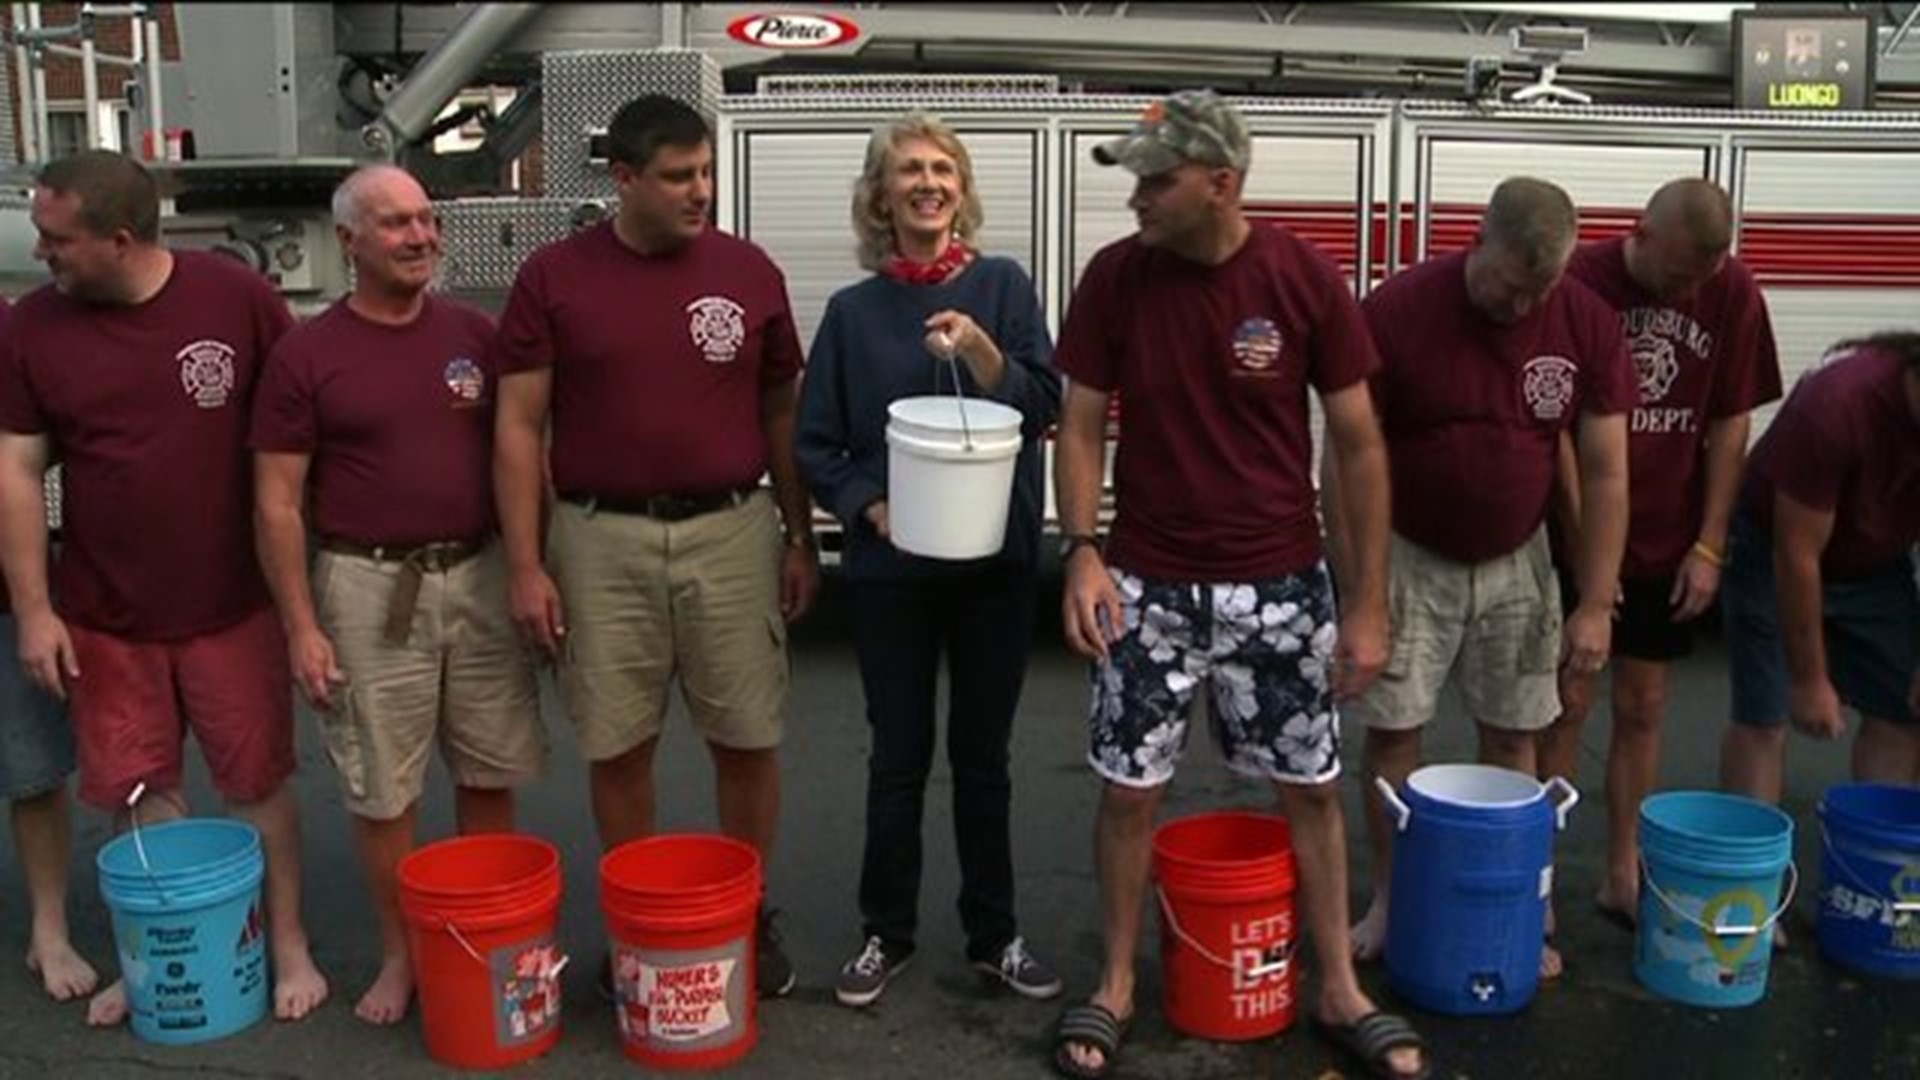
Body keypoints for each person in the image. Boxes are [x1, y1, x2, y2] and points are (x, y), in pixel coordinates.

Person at [1051, 89, 1426, 1080]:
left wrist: (1369, 603)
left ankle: (1340, 988)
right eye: (1133, 179)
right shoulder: (1115, 280)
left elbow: (1356, 442)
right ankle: (1117, 984)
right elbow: (1081, 422)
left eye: (1156, 180)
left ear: (1221, 183)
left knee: (1309, 787)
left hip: (1278, 585)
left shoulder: (1302, 278)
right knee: (1130, 789)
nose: (1136, 198)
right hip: (1148, 586)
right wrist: (1080, 548)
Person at [493, 95, 819, 998]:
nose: (700, 191)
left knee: (747, 739)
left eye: (706, 172)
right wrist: (527, 563)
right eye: (678, 176)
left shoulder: (748, 271)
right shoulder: (555, 277)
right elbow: (519, 426)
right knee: (619, 745)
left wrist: (800, 535)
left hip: (733, 531)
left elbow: (779, 409)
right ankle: (640, 921)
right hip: (601, 540)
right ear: (623, 178)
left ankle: (743, 917)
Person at [0, 149, 328, 1025]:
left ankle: (285, 943)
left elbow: (299, 434)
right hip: (107, 616)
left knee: (255, 784)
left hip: (233, 604)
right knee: (140, 791)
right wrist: (35, 611)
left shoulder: (236, 300)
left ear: (118, 238)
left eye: (57, 238)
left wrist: (310, 590)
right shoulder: (32, 328)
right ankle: (162, 953)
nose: (44, 254)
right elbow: (19, 471)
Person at [252, 165, 547, 1024]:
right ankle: (405, 954)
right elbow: (274, 502)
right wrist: (301, 626)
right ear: (348, 241)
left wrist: (535, 566)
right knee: (384, 787)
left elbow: (523, 456)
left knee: (490, 769)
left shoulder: (473, 336)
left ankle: (485, 935)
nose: (420, 238)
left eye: (425, 221)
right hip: (365, 583)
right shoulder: (306, 354)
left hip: (481, 573)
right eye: (394, 225)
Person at [1334, 178, 1635, 979]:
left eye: (1539, 289)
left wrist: (1596, 602)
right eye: (1508, 284)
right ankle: (1392, 900)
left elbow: (1605, 471)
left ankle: (1515, 903)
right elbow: (1347, 455)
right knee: (1396, 731)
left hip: (1517, 559)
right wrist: (1359, 587)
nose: (1519, 306)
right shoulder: (1398, 310)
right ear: (1477, 239)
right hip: (1407, 552)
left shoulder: (1583, 322)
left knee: (1515, 731)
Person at [795, 113, 1064, 1008]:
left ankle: (996, 935)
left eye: (942, 168)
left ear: (961, 187)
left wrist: (985, 350)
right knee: (898, 757)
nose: (927, 182)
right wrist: (867, 505)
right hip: (892, 574)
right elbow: (818, 442)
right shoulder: (853, 313)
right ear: (881, 194)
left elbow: (1044, 407)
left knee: (984, 759)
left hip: (995, 567)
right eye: (908, 169)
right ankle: (887, 933)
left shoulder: (1003, 285)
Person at [1539, 178, 1782, 930]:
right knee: (1564, 704)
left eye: (1696, 281)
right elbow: (1555, 433)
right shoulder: (1578, 283)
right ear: (1637, 232)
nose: (1684, 292)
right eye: (1674, 276)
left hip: (1666, 536)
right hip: (1572, 533)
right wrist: (1587, 564)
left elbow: (1730, 424)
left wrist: (1711, 544)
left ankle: (1623, 872)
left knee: (1644, 707)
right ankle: (1534, 882)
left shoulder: (1732, 291)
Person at [1720, 333, 1920, 803]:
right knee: (1763, 717)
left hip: (1876, 558)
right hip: (1769, 547)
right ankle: (1749, 867)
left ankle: (1872, 858)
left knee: (1904, 710)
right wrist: (1809, 678)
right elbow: (1797, 555)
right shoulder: (1838, 405)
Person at [0, 297, 98, 1006]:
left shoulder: (11, 330)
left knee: (32, 771)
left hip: (5, 590)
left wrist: (36, 606)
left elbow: (31, 457)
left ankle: (49, 929)